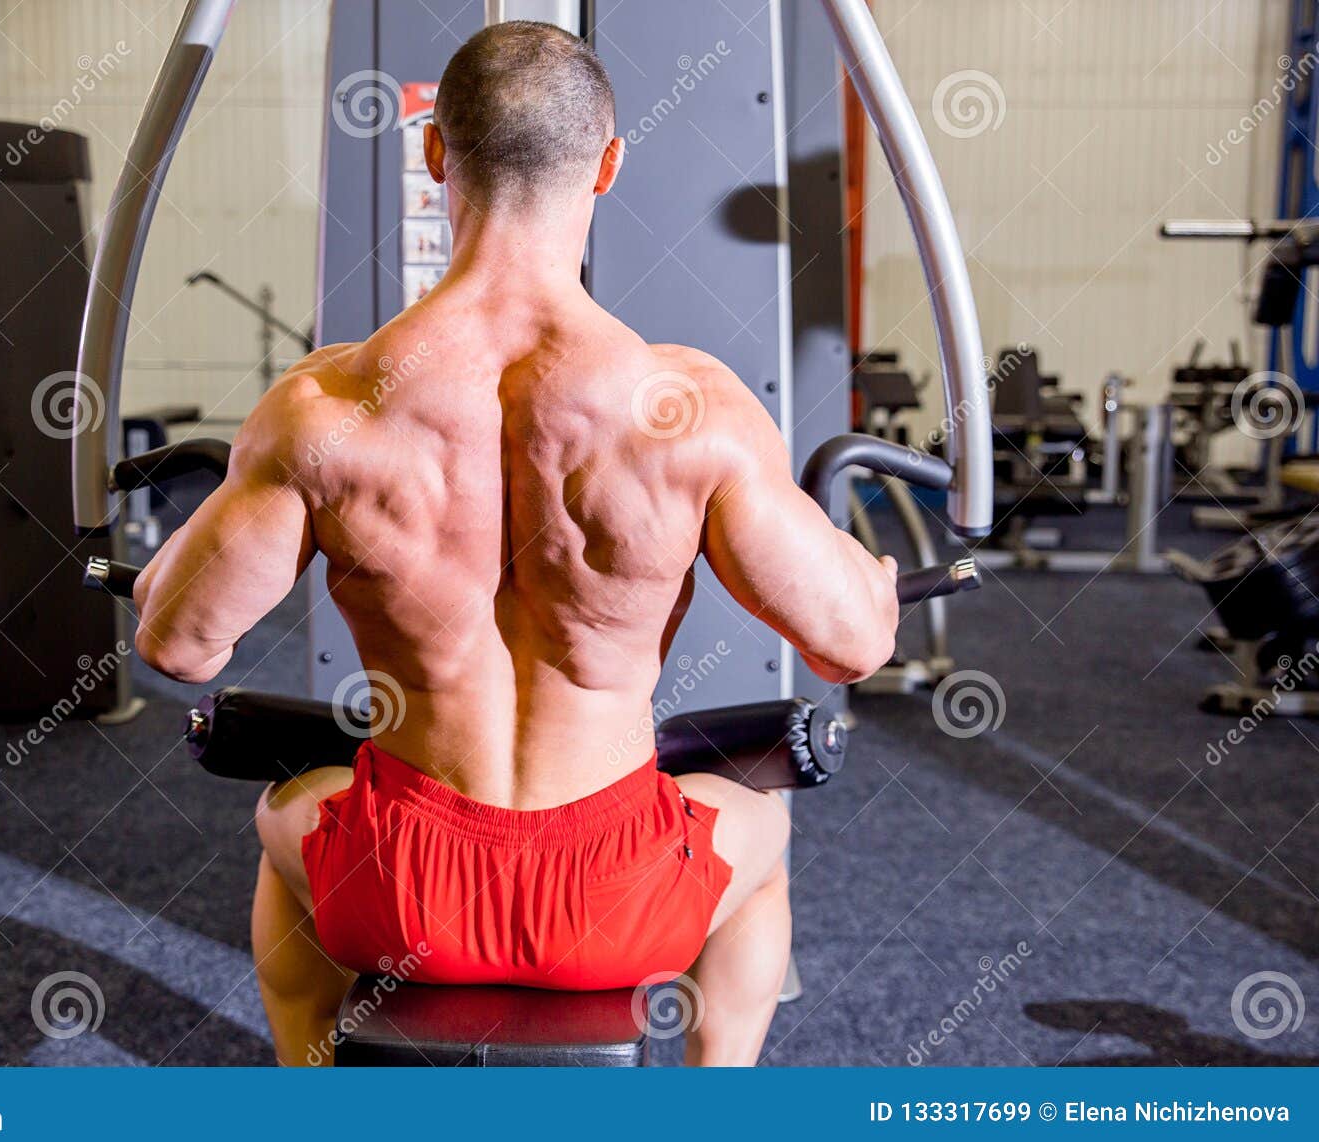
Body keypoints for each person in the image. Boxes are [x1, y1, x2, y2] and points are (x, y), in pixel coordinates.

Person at [132, 21, 898, 1067]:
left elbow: (179, 646)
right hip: (618, 897)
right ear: (610, 166)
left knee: (284, 815)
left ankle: (303, 1084)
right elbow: (850, 645)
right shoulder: (694, 409)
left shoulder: (322, 410)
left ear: (434, 153)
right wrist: (875, 579)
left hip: (403, 903)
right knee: (760, 839)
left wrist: (199, 533)